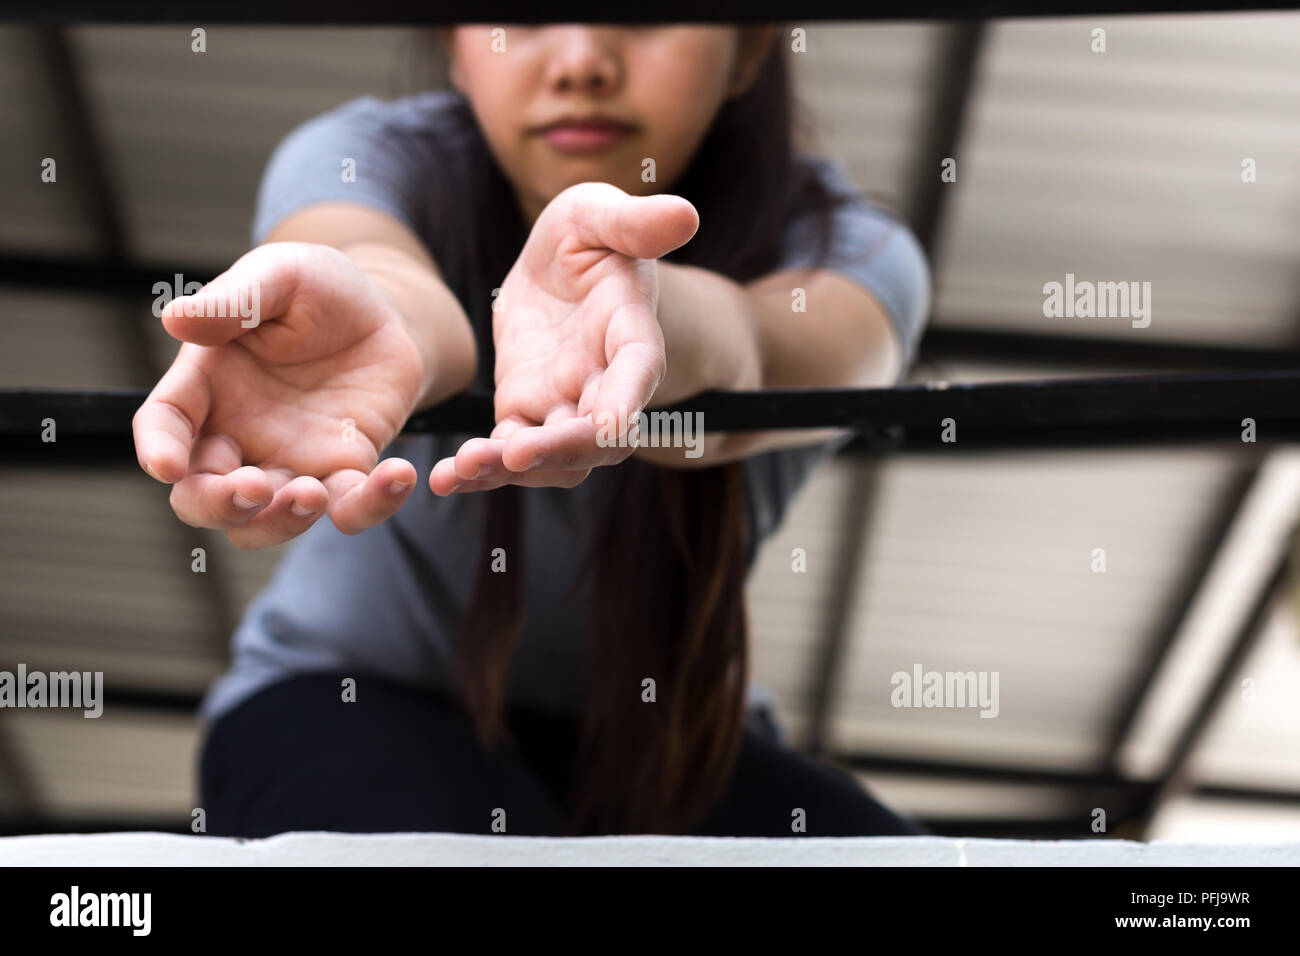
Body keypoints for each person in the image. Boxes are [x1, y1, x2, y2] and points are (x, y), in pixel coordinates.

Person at [132, 24, 932, 838]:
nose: (583, 61)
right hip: (346, 696)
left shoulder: (857, 250)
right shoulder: (360, 155)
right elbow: (384, 272)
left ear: (752, 50)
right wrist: (389, 319)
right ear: (454, 44)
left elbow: (760, 352)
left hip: (675, 737)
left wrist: (642, 307)